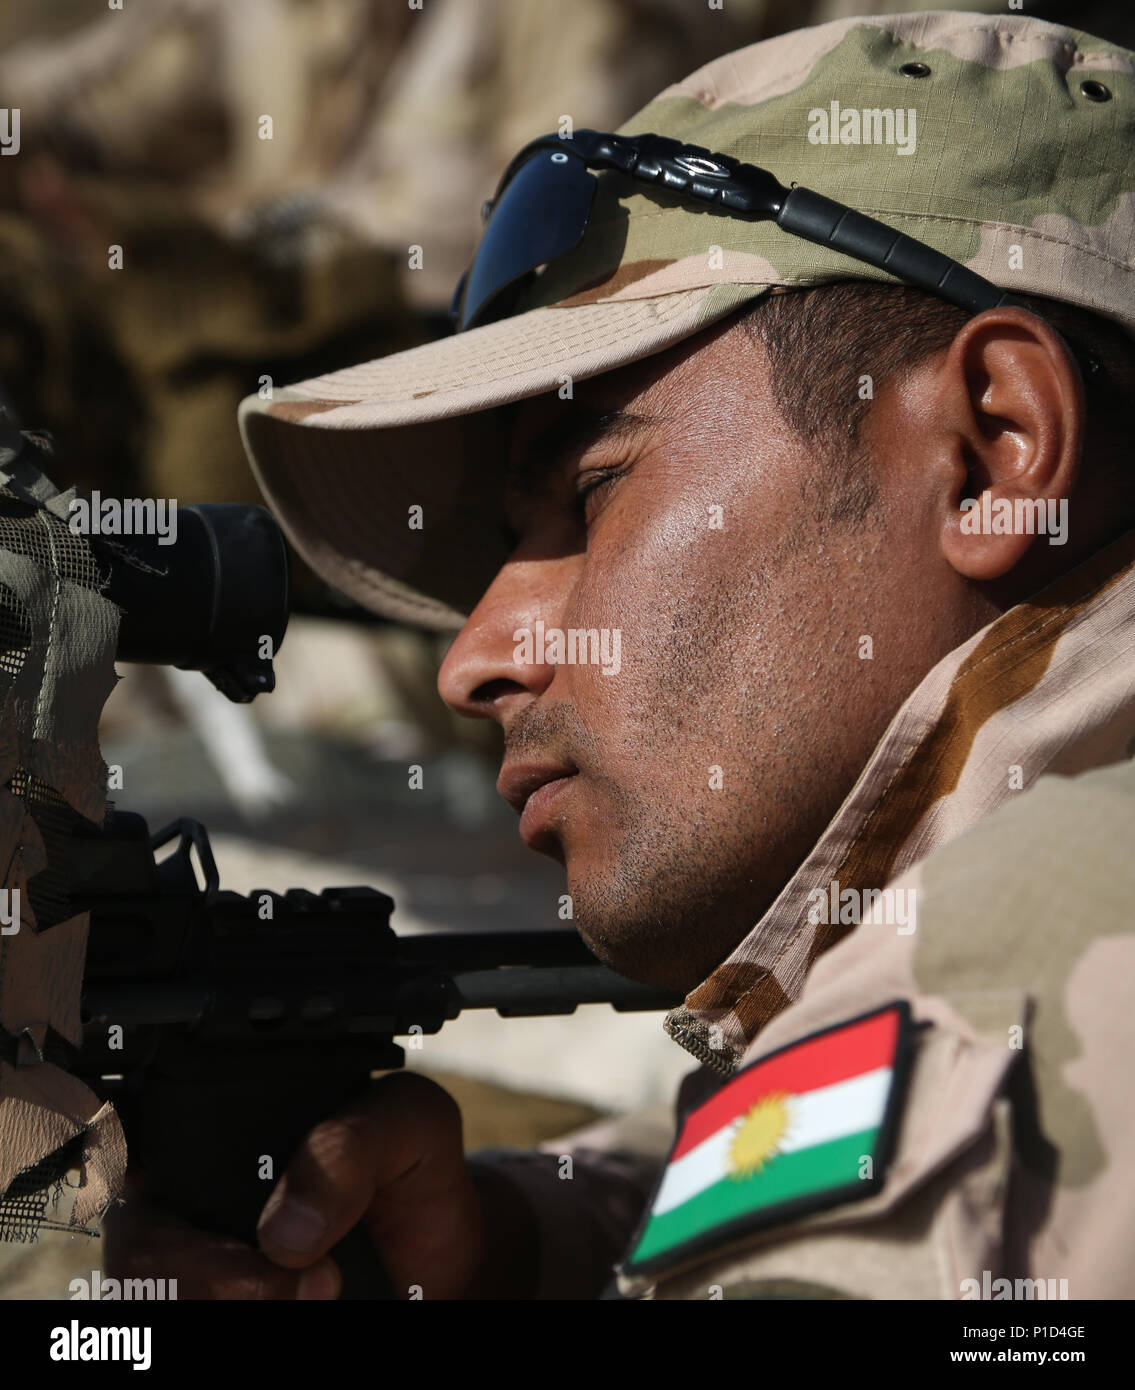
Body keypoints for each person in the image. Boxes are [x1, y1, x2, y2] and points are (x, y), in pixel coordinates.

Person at [106, 10, 1135, 1299]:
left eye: (591, 496)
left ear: (990, 451)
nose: (469, 661)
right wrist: (515, 1253)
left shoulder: (1047, 957)